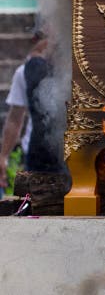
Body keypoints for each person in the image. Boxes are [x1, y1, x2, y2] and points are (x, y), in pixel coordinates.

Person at [0, 30, 49, 188]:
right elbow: (15, 118)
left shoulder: (69, 70)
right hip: (35, 155)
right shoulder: (24, 72)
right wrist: (4, 156)